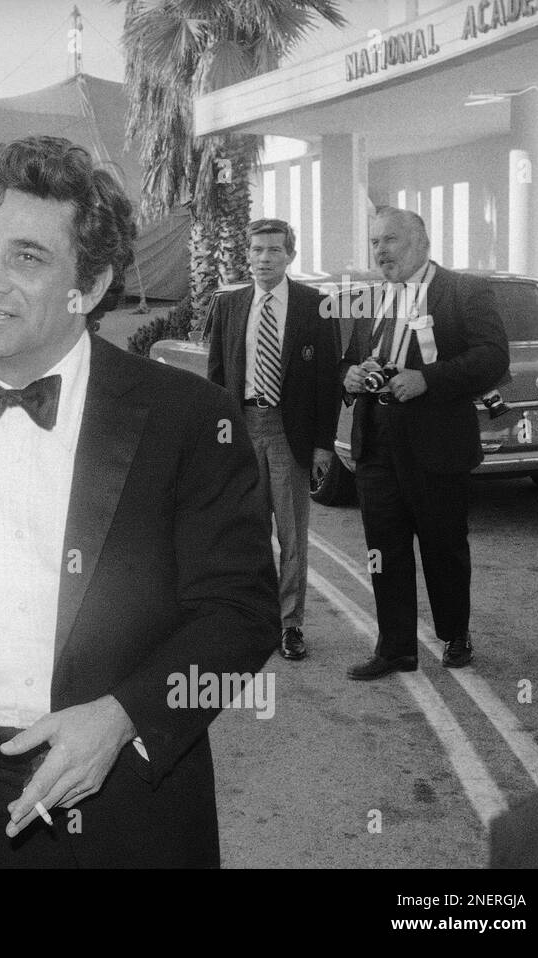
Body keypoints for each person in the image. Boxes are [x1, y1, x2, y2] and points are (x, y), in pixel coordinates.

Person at [0, 136, 280, 868]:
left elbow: (243, 614)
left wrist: (125, 717)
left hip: (122, 801)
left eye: (27, 257)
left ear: (89, 288)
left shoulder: (189, 419)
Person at [341, 207, 509, 680]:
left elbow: (493, 358)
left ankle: (456, 634)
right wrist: (349, 376)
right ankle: (395, 650)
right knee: (384, 552)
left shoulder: (464, 291)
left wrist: (427, 380)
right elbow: (347, 360)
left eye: (390, 240)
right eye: (374, 242)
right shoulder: (368, 298)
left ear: (422, 242)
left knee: (444, 547)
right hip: (376, 449)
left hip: (437, 449)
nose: (380, 250)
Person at [207, 218, 341, 662]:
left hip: (289, 432)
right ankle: (252, 620)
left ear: (290, 255)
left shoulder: (314, 306)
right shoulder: (229, 306)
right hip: (242, 428)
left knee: (292, 536)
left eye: (274, 250)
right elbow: (217, 378)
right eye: (257, 250)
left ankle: (290, 625)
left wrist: (322, 444)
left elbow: (327, 381)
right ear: (247, 253)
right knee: (245, 533)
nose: (264, 259)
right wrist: (220, 439)